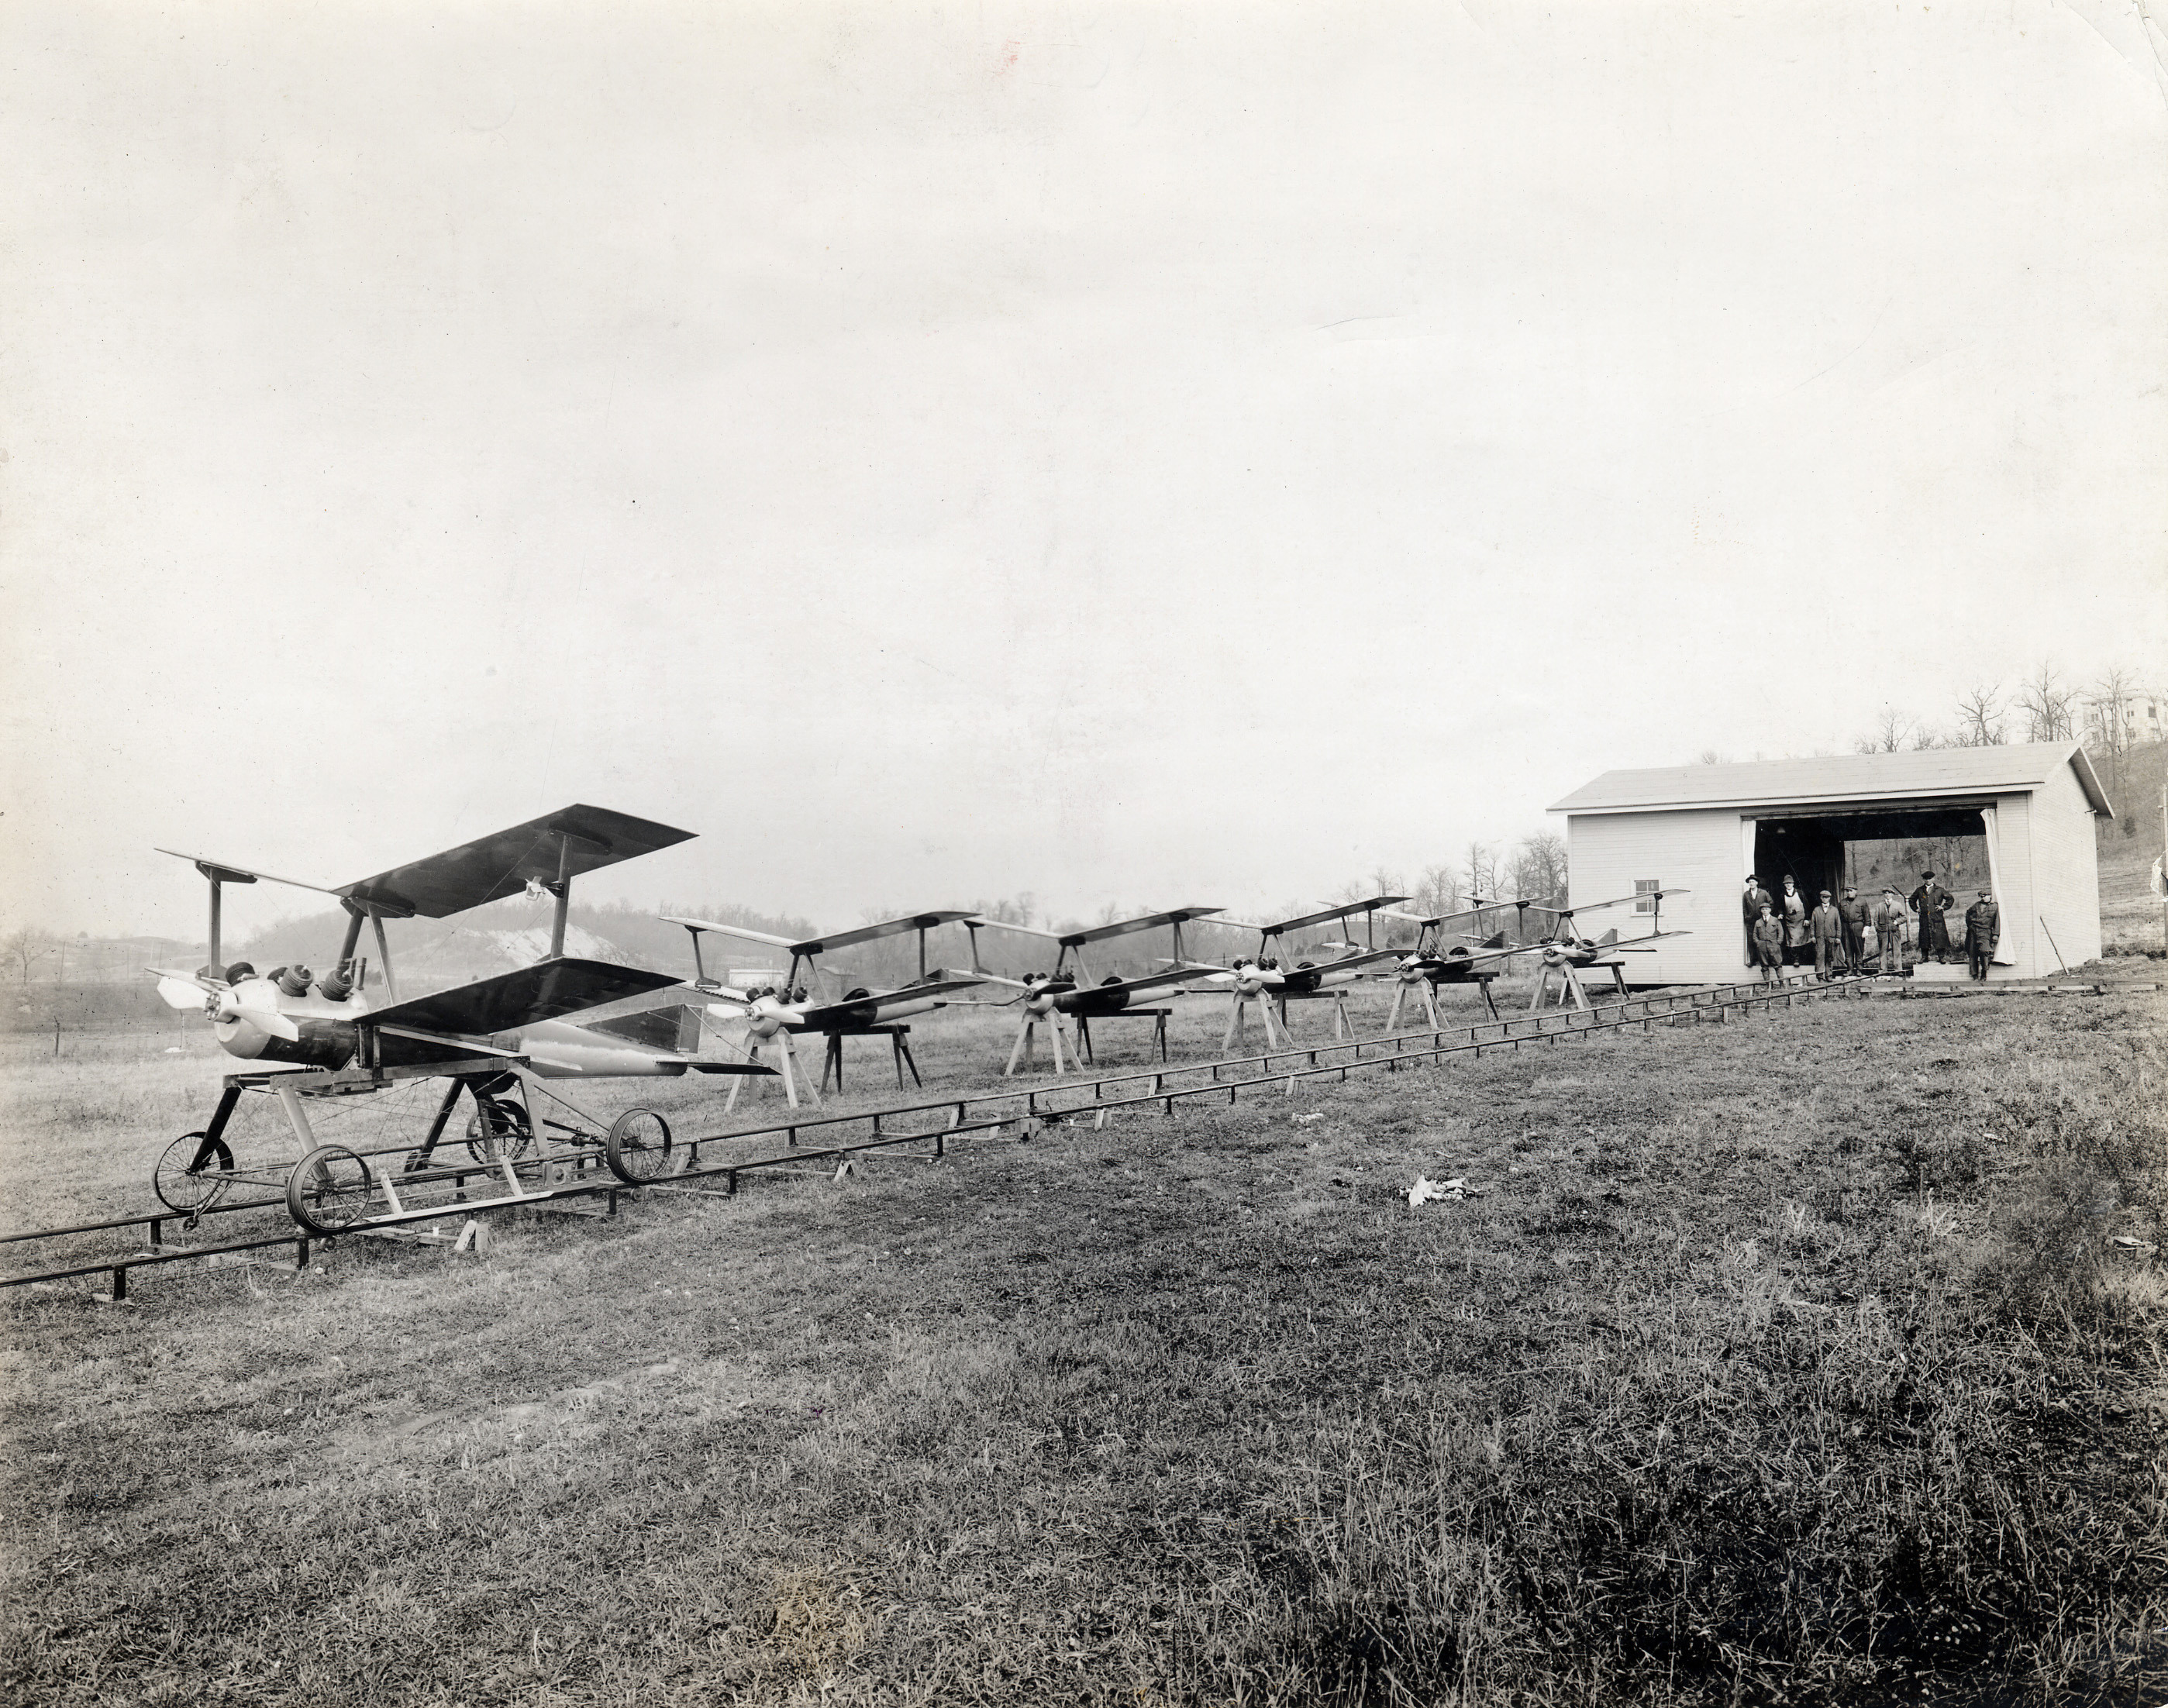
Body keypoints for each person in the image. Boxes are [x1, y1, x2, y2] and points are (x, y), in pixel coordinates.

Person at [1910, 870, 1954, 964]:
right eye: (1926, 879)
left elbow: (1950, 898)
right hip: (1924, 918)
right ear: (1923, 879)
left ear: (1933, 879)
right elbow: (1911, 900)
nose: (1928, 880)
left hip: (1937, 917)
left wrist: (1943, 907)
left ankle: (1941, 957)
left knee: (1939, 937)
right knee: (1924, 937)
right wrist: (1916, 909)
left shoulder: (1939, 890)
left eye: (1930, 878)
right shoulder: (1919, 890)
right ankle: (1924, 957)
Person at [1964, 887, 2000, 980]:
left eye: (1985, 896)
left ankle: (1984, 972)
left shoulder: (1995, 906)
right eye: (1981, 896)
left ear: (1990, 896)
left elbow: (1997, 921)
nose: (1983, 898)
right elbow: (1968, 914)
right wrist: (1970, 925)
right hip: (1973, 931)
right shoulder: (1976, 905)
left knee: (1984, 951)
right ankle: (1974, 975)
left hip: (1985, 931)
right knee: (1972, 953)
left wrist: (1996, 934)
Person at [1872, 887, 1909, 976]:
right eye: (1885, 893)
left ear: (1892, 894)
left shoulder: (1898, 905)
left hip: (1894, 930)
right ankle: (1882, 970)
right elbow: (1875, 919)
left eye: (1889, 893)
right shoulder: (1880, 905)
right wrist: (1878, 929)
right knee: (1882, 951)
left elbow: (1904, 917)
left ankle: (1898, 969)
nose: (1887, 894)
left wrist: (1896, 922)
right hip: (1883, 931)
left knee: (1896, 950)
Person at [1810, 889, 1845, 980]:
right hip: (1820, 937)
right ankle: (1820, 976)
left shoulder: (1834, 910)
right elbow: (1812, 924)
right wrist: (1812, 936)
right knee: (1820, 957)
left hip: (1831, 937)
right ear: (1821, 898)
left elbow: (1838, 924)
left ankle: (1829, 975)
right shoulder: (1816, 910)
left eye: (1827, 897)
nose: (1825, 899)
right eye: (1823, 897)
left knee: (1830, 957)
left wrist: (1838, 937)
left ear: (1829, 898)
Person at [1752, 903, 1785, 987]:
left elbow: (1781, 932)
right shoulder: (1758, 922)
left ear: (1770, 910)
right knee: (1764, 966)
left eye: (1766, 909)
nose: (1764, 911)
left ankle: (1782, 983)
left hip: (1774, 945)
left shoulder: (1775, 920)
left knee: (1777, 964)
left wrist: (1778, 942)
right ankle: (1769, 985)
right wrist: (1758, 943)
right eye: (1763, 909)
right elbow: (1755, 934)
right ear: (1761, 911)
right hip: (1762, 946)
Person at [1779, 876, 1810, 966]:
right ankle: (1796, 959)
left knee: (1803, 940)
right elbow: (1780, 907)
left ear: (1793, 884)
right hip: (1790, 921)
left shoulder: (1800, 893)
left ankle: (1803, 959)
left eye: (1790, 883)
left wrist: (1807, 919)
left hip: (1801, 921)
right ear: (1784, 885)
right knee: (1792, 941)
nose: (1788, 885)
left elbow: (1807, 906)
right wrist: (1780, 913)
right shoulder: (1782, 895)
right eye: (1787, 883)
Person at [1837, 887, 1870, 973]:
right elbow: (1839, 917)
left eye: (1850, 891)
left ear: (1855, 891)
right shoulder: (1842, 902)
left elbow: (1867, 916)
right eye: (1847, 891)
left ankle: (1859, 969)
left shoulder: (1862, 901)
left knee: (1859, 948)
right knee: (1847, 948)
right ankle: (1850, 969)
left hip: (1858, 926)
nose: (1848, 893)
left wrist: (1866, 929)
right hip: (1846, 927)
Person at [1742, 875, 1772, 966]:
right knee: (1751, 940)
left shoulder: (1764, 893)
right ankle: (1752, 960)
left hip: (1761, 920)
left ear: (1757, 883)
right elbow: (1744, 907)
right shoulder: (1746, 894)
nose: (1751, 883)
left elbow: (1771, 903)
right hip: (1751, 921)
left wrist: (1766, 914)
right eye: (1750, 882)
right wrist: (1747, 917)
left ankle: (1766, 961)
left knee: (1763, 939)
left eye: (1753, 882)